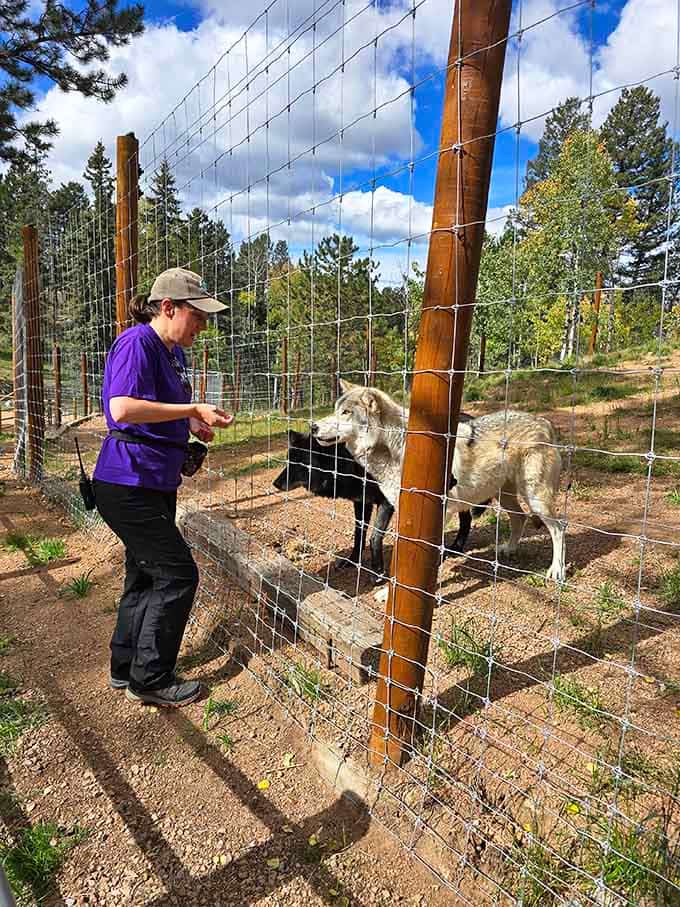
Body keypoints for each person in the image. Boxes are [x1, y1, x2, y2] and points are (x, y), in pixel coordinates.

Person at [93, 267, 233, 708]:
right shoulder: (138, 343)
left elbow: (160, 408)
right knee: (177, 574)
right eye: (197, 315)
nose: (203, 325)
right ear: (168, 307)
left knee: (145, 570)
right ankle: (150, 677)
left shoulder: (175, 354)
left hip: (153, 479)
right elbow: (123, 407)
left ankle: (126, 665)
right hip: (127, 481)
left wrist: (191, 423)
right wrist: (191, 405)